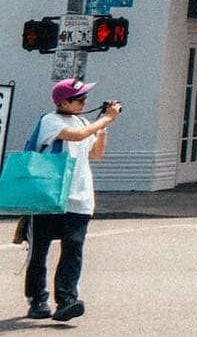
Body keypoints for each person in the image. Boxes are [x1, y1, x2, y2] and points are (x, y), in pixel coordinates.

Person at [24, 78, 119, 322]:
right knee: (39, 250)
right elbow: (75, 136)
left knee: (73, 249)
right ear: (64, 102)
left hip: (79, 198)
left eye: (85, 98)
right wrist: (106, 118)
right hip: (48, 196)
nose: (85, 102)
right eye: (80, 99)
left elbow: (96, 154)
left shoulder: (84, 121)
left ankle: (66, 299)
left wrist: (103, 128)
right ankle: (37, 299)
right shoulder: (50, 120)